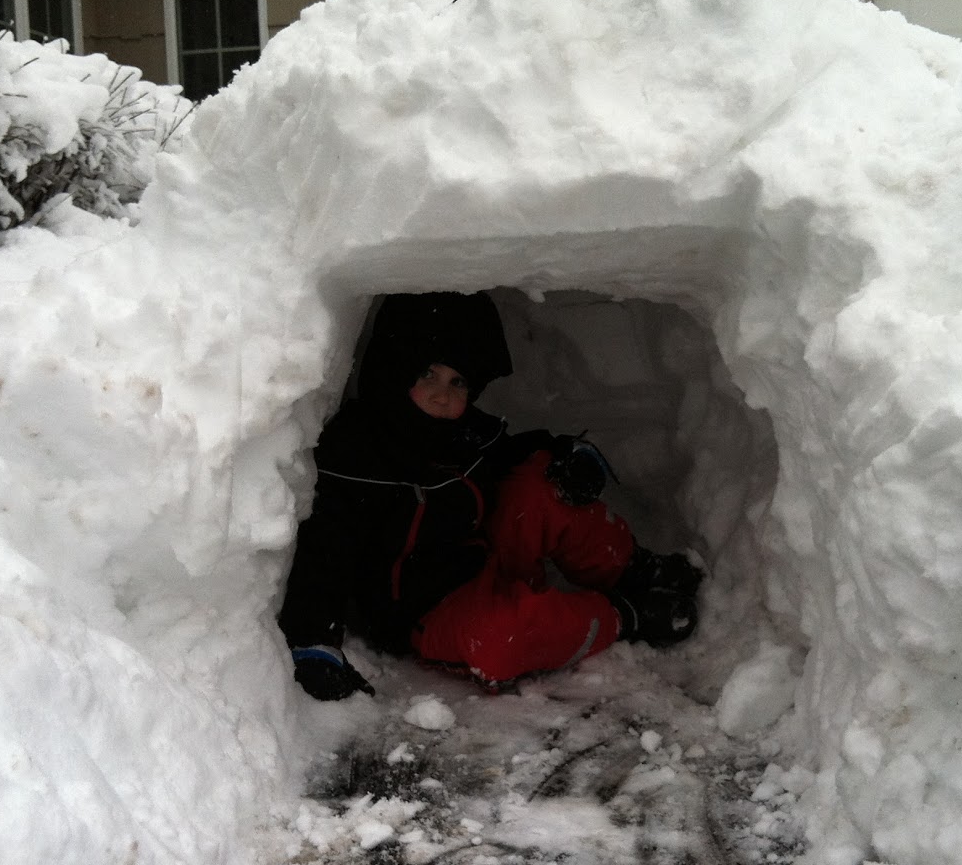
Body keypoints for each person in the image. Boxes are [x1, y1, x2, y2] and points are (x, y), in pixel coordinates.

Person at [278, 291, 703, 701]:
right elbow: (325, 557)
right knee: (500, 641)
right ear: (395, 368)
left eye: (458, 382)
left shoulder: (462, 433)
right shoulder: (357, 458)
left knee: (542, 483)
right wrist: (313, 641)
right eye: (428, 374)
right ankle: (621, 614)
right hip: (429, 612)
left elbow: (514, 456)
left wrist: (570, 455)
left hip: (485, 561)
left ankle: (633, 569)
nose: (443, 394)